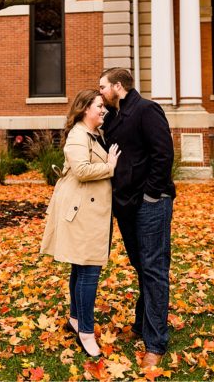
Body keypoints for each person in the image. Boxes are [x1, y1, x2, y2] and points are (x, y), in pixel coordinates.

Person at [99, 67, 175, 368]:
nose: (100, 91)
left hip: (150, 203)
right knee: (142, 266)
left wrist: (152, 194)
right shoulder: (114, 119)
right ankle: (143, 324)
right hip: (126, 205)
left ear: (119, 86)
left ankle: (156, 342)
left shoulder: (147, 109)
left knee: (154, 268)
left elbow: (163, 153)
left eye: (103, 86)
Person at [40, 89, 120, 357]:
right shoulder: (77, 135)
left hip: (89, 210)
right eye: (99, 106)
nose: (103, 110)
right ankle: (85, 332)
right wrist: (110, 166)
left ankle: (75, 318)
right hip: (82, 211)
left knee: (81, 267)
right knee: (88, 271)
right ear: (85, 108)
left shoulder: (95, 133)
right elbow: (82, 170)